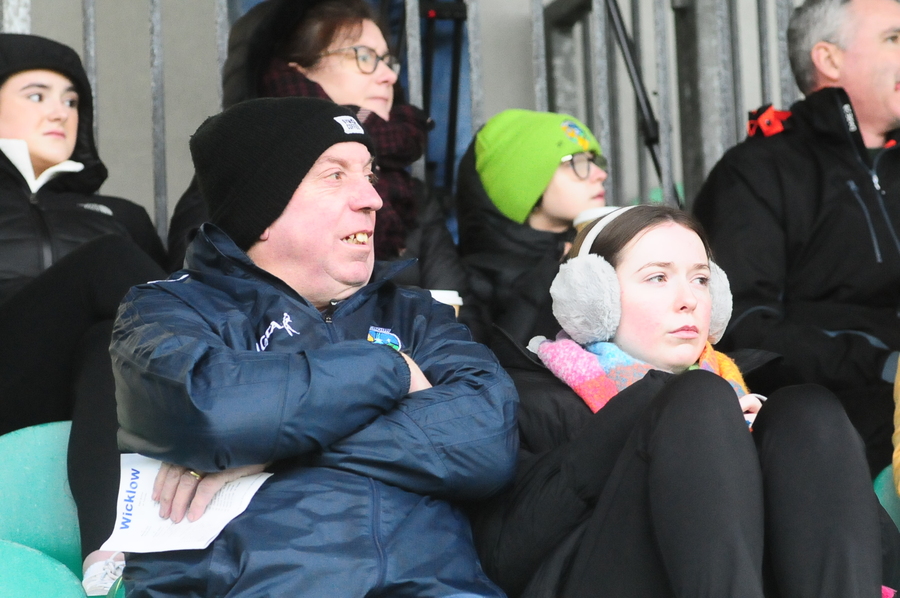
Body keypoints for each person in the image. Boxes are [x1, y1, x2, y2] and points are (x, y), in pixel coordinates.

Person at [110, 97, 518, 597]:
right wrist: (390, 367)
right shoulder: (166, 309)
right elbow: (211, 412)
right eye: (336, 175)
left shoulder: (416, 313)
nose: (373, 199)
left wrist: (275, 449)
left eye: (369, 175)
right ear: (262, 210)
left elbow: (486, 441)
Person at [469, 205, 900, 598]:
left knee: (808, 411)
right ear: (592, 299)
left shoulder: (742, 394)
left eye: (700, 279)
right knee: (698, 402)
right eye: (658, 277)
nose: (689, 300)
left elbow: (886, 561)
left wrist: (774, 456)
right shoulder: (526, 397)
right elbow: (503, 557)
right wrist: (656, 415)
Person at [692, 0, 900, 476]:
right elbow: (741, 325)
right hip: (834, 425)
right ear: (829, 59)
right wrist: (884, 365)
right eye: (893, 38)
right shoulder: (757, 172)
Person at [0, 33, 167, 594]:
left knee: (106, 341)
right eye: (38, 94)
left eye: (72, 100)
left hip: (75, 384)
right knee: (109, 262)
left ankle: (106, 553)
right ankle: (243, 366)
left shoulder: (119, 213)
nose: (60, 111)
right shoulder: (111, 243)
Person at [166, 0, 467, 309]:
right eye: (365, 57)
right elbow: (206, 301)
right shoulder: (238, 178)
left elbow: (458, 318)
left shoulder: (410, 192)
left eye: (369, 175)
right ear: (298, 72)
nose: (389, 76)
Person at [455, 108, 608, 346]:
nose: (600, 174)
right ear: (521, 182)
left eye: (593, 161)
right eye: (577, 162)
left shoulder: (605, 251)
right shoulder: (469, 281)